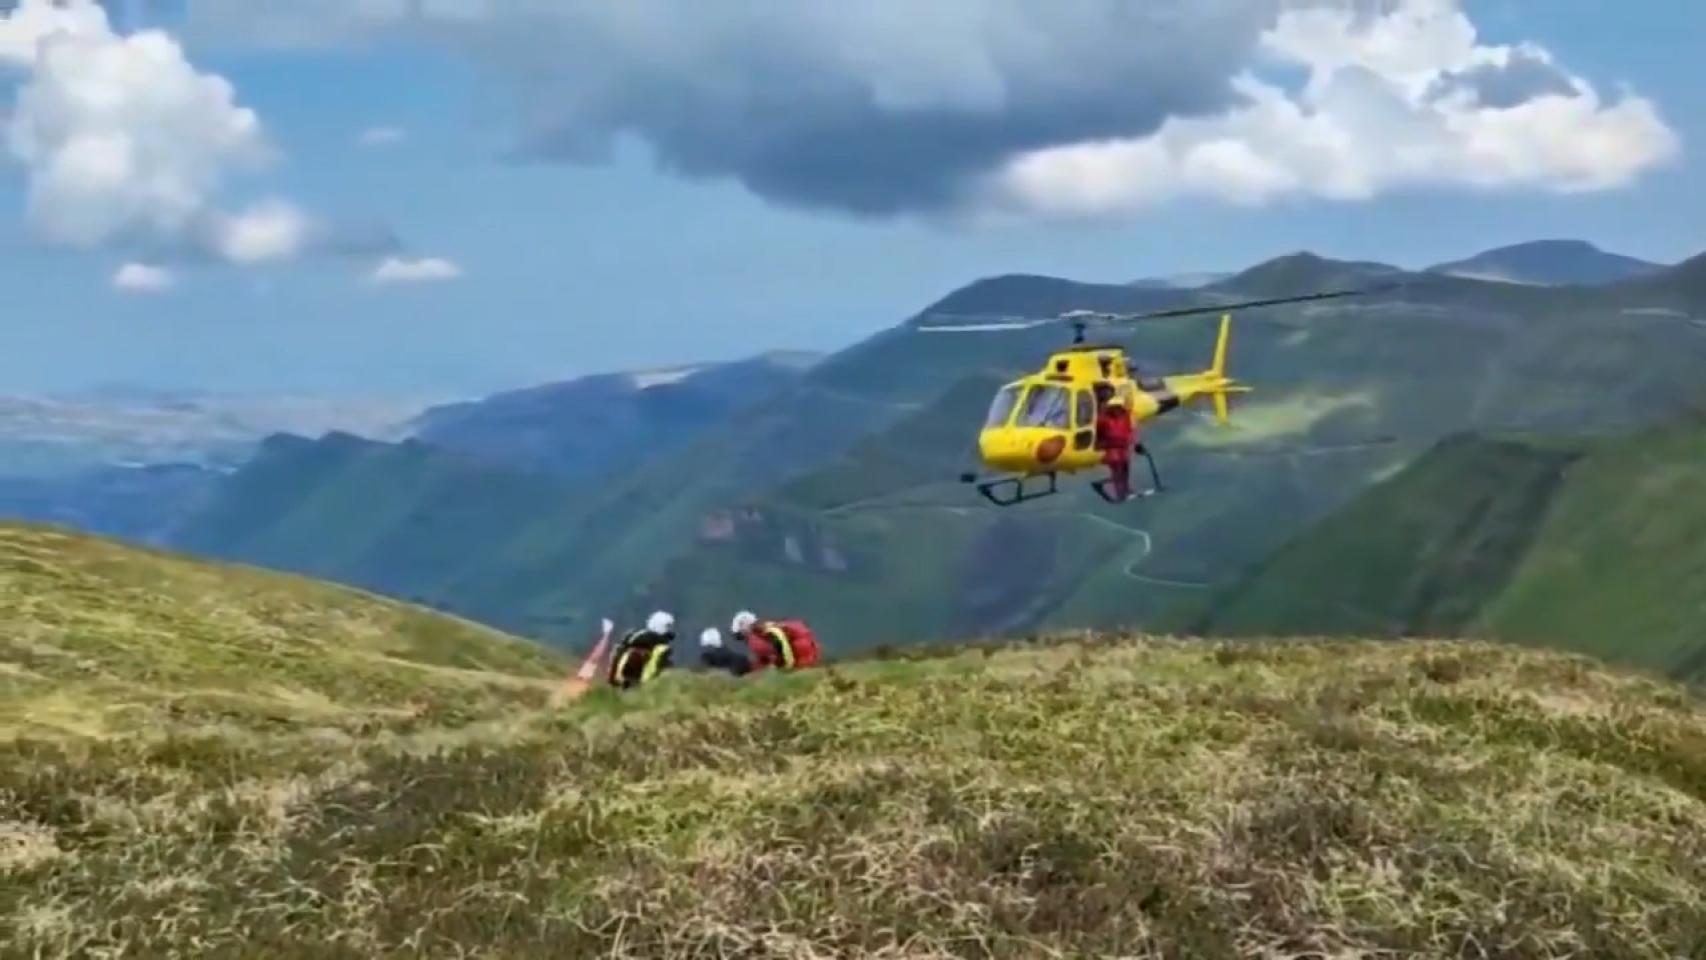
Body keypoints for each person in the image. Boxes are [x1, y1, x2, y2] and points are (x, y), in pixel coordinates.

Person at [731, 610, 821, 672]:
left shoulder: (756, 640)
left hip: (800, 659)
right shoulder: (768, 626)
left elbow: (772, 652)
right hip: (810, 652)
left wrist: (788, 667)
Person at [607, 610, 676, 689]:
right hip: (638, 686)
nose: (670, 631)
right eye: (668, 627)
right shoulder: (652, 648)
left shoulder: (632, 641)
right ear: (661, 626)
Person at [1095, 386, 1135, 502]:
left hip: (1123, 446)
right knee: (1116, 467)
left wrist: (1132, 441)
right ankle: (1120, 493)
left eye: (1118, 407)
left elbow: (1130, 428)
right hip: (1112, 448)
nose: (1117, 409)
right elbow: (1099, 430)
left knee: (1125, 467)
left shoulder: (1125, 416)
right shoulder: (1104, 419)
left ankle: (1126, 488)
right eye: (1114, 407)